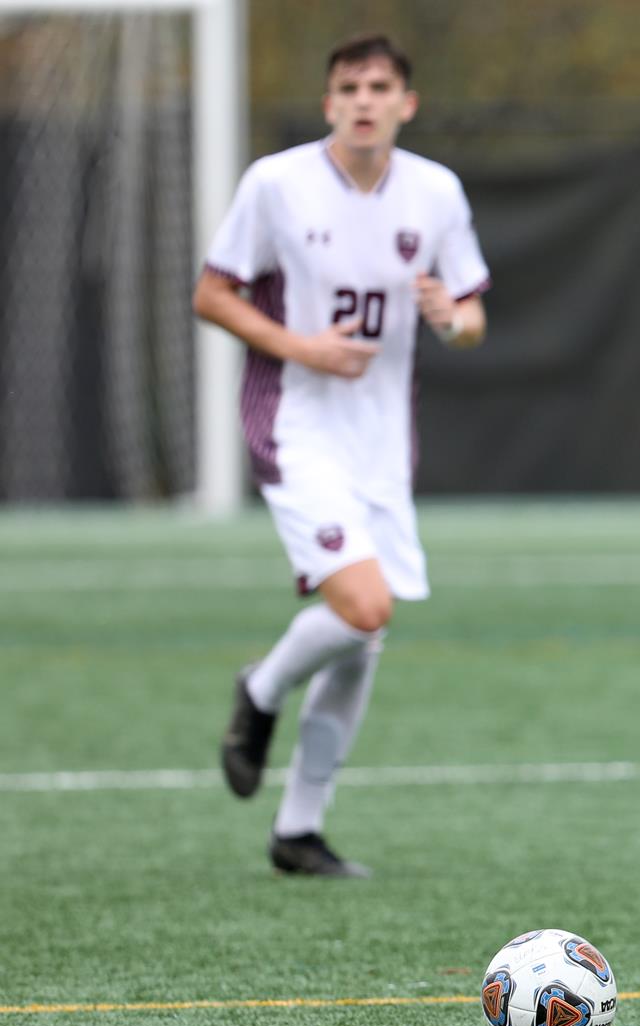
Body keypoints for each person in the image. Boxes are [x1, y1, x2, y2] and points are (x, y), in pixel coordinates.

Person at [199, 34, 490, 878]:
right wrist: (300, 346)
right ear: (330, 104)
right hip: (294, 424)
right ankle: (259, 690)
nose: (364, 100)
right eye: (349, 87)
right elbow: (212, 293)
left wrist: (450, 317)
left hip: (380, 444)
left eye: (380, 87)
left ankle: (299, 829)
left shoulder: (435, 192)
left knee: (362, 639)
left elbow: (471, 317)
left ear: (407, 104)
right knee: (364, 607)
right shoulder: (276, 183)